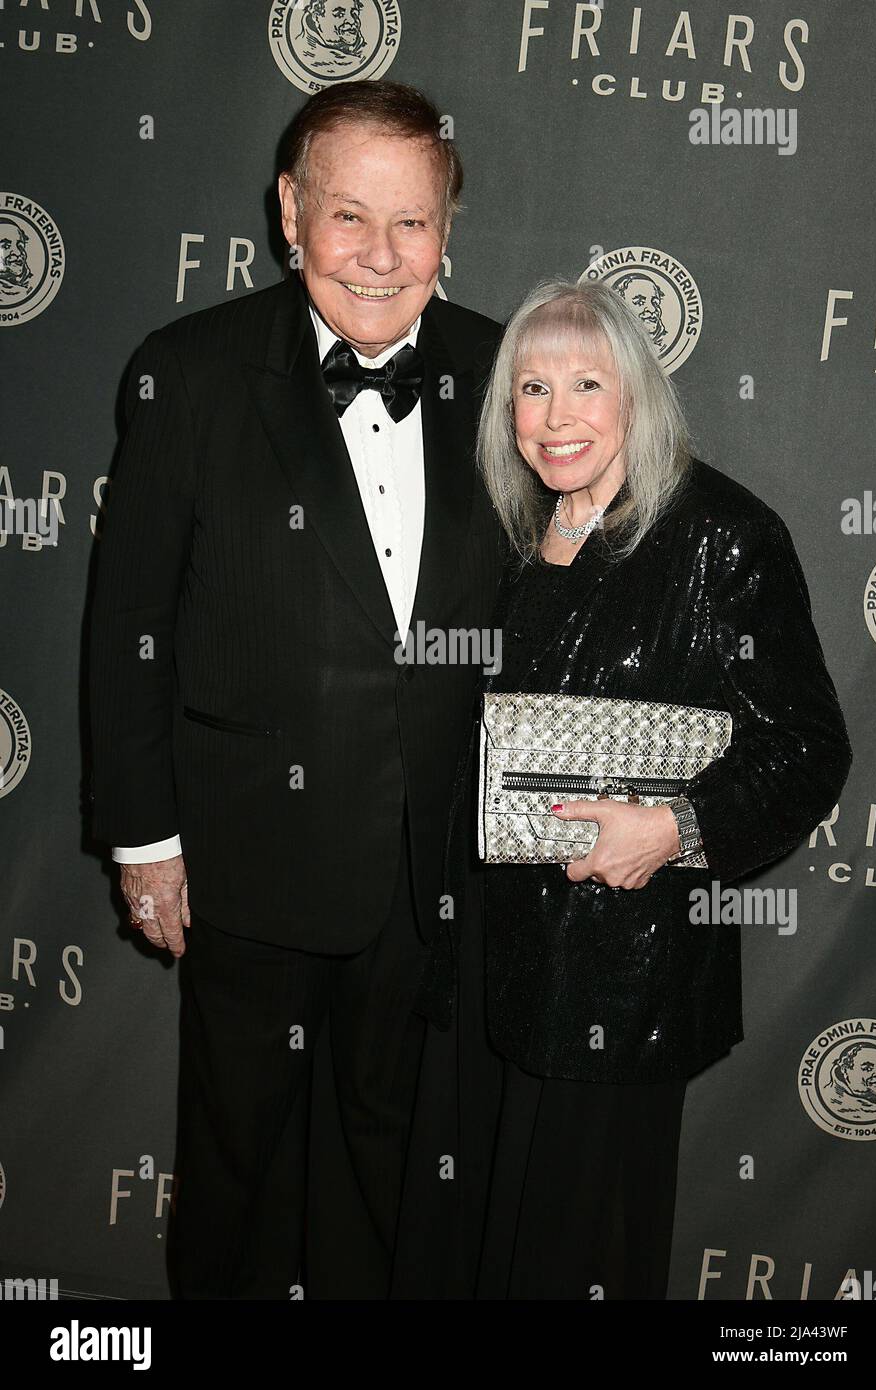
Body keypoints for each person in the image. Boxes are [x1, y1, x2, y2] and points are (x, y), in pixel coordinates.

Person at [88, 80, 505, 1300]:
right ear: (289, 213)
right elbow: (129, 627)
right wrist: (146, 839)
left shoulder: (510, 374)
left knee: (398, 1171)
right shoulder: (188, 373)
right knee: (240, 1165)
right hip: (246, 855)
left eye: (413, 223)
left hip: (438, 868)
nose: (381, 257)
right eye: (348, 218)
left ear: (448, 230)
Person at [394, 278, 852, 1301]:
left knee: (574, 1251)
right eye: (531, 388)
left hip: (616, 962)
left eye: (586, 384)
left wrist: (679, 827)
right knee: (462, 1234)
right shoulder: (514, 532)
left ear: (636, 394)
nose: (555, 418)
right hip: (487, 950)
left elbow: (808, 747)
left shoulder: (720, 535)